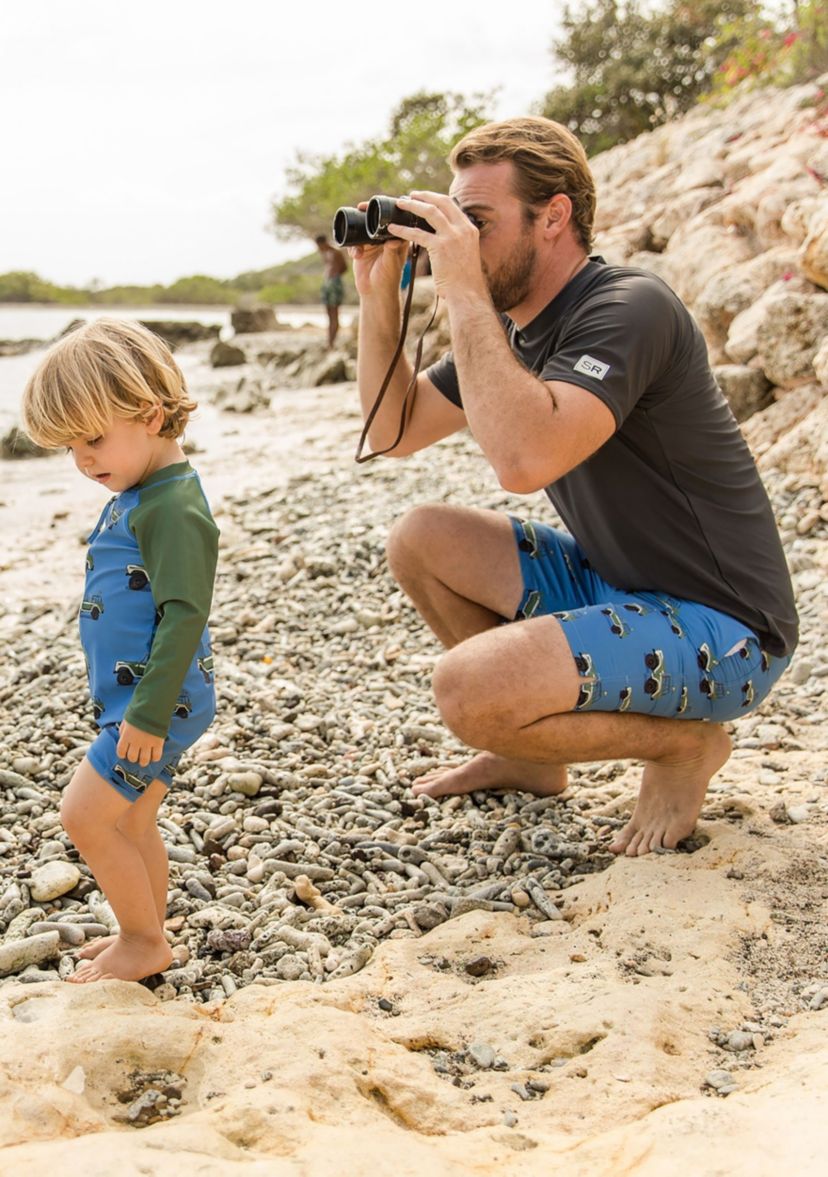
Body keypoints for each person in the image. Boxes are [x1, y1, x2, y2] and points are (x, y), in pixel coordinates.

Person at [350, 117, 797, 857]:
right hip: (622, 587)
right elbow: (390, 430)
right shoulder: (510, 331)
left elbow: (526, 461)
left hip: (728, 628)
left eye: (477, 222)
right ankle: (531, 758)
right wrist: (378, 299)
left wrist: (461, 290)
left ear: (553, 216)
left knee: (468, 689)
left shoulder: (630, 307)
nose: (460, 239)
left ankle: (684, 746)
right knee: (421, 539)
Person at [21, 318, 219, 981]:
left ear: (151, 413)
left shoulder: (171, 507)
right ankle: (145, 935)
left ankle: (142, 939)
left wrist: (147, 713)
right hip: (139, 696)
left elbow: (186, 613)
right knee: (130, 821)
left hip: (155, 699)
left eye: (93, 437)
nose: (82, 458)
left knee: (83, 815)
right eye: (70, 445)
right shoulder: (141, 489)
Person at [315, 233, 348, 348]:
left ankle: (332, 342)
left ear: (324, 243)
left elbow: (344, 268)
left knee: (334, 313)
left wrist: (335, 276)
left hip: (334, 283)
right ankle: (329, 341)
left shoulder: (336, 252)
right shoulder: (324, 253)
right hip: (327, 283)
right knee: (328, 313)